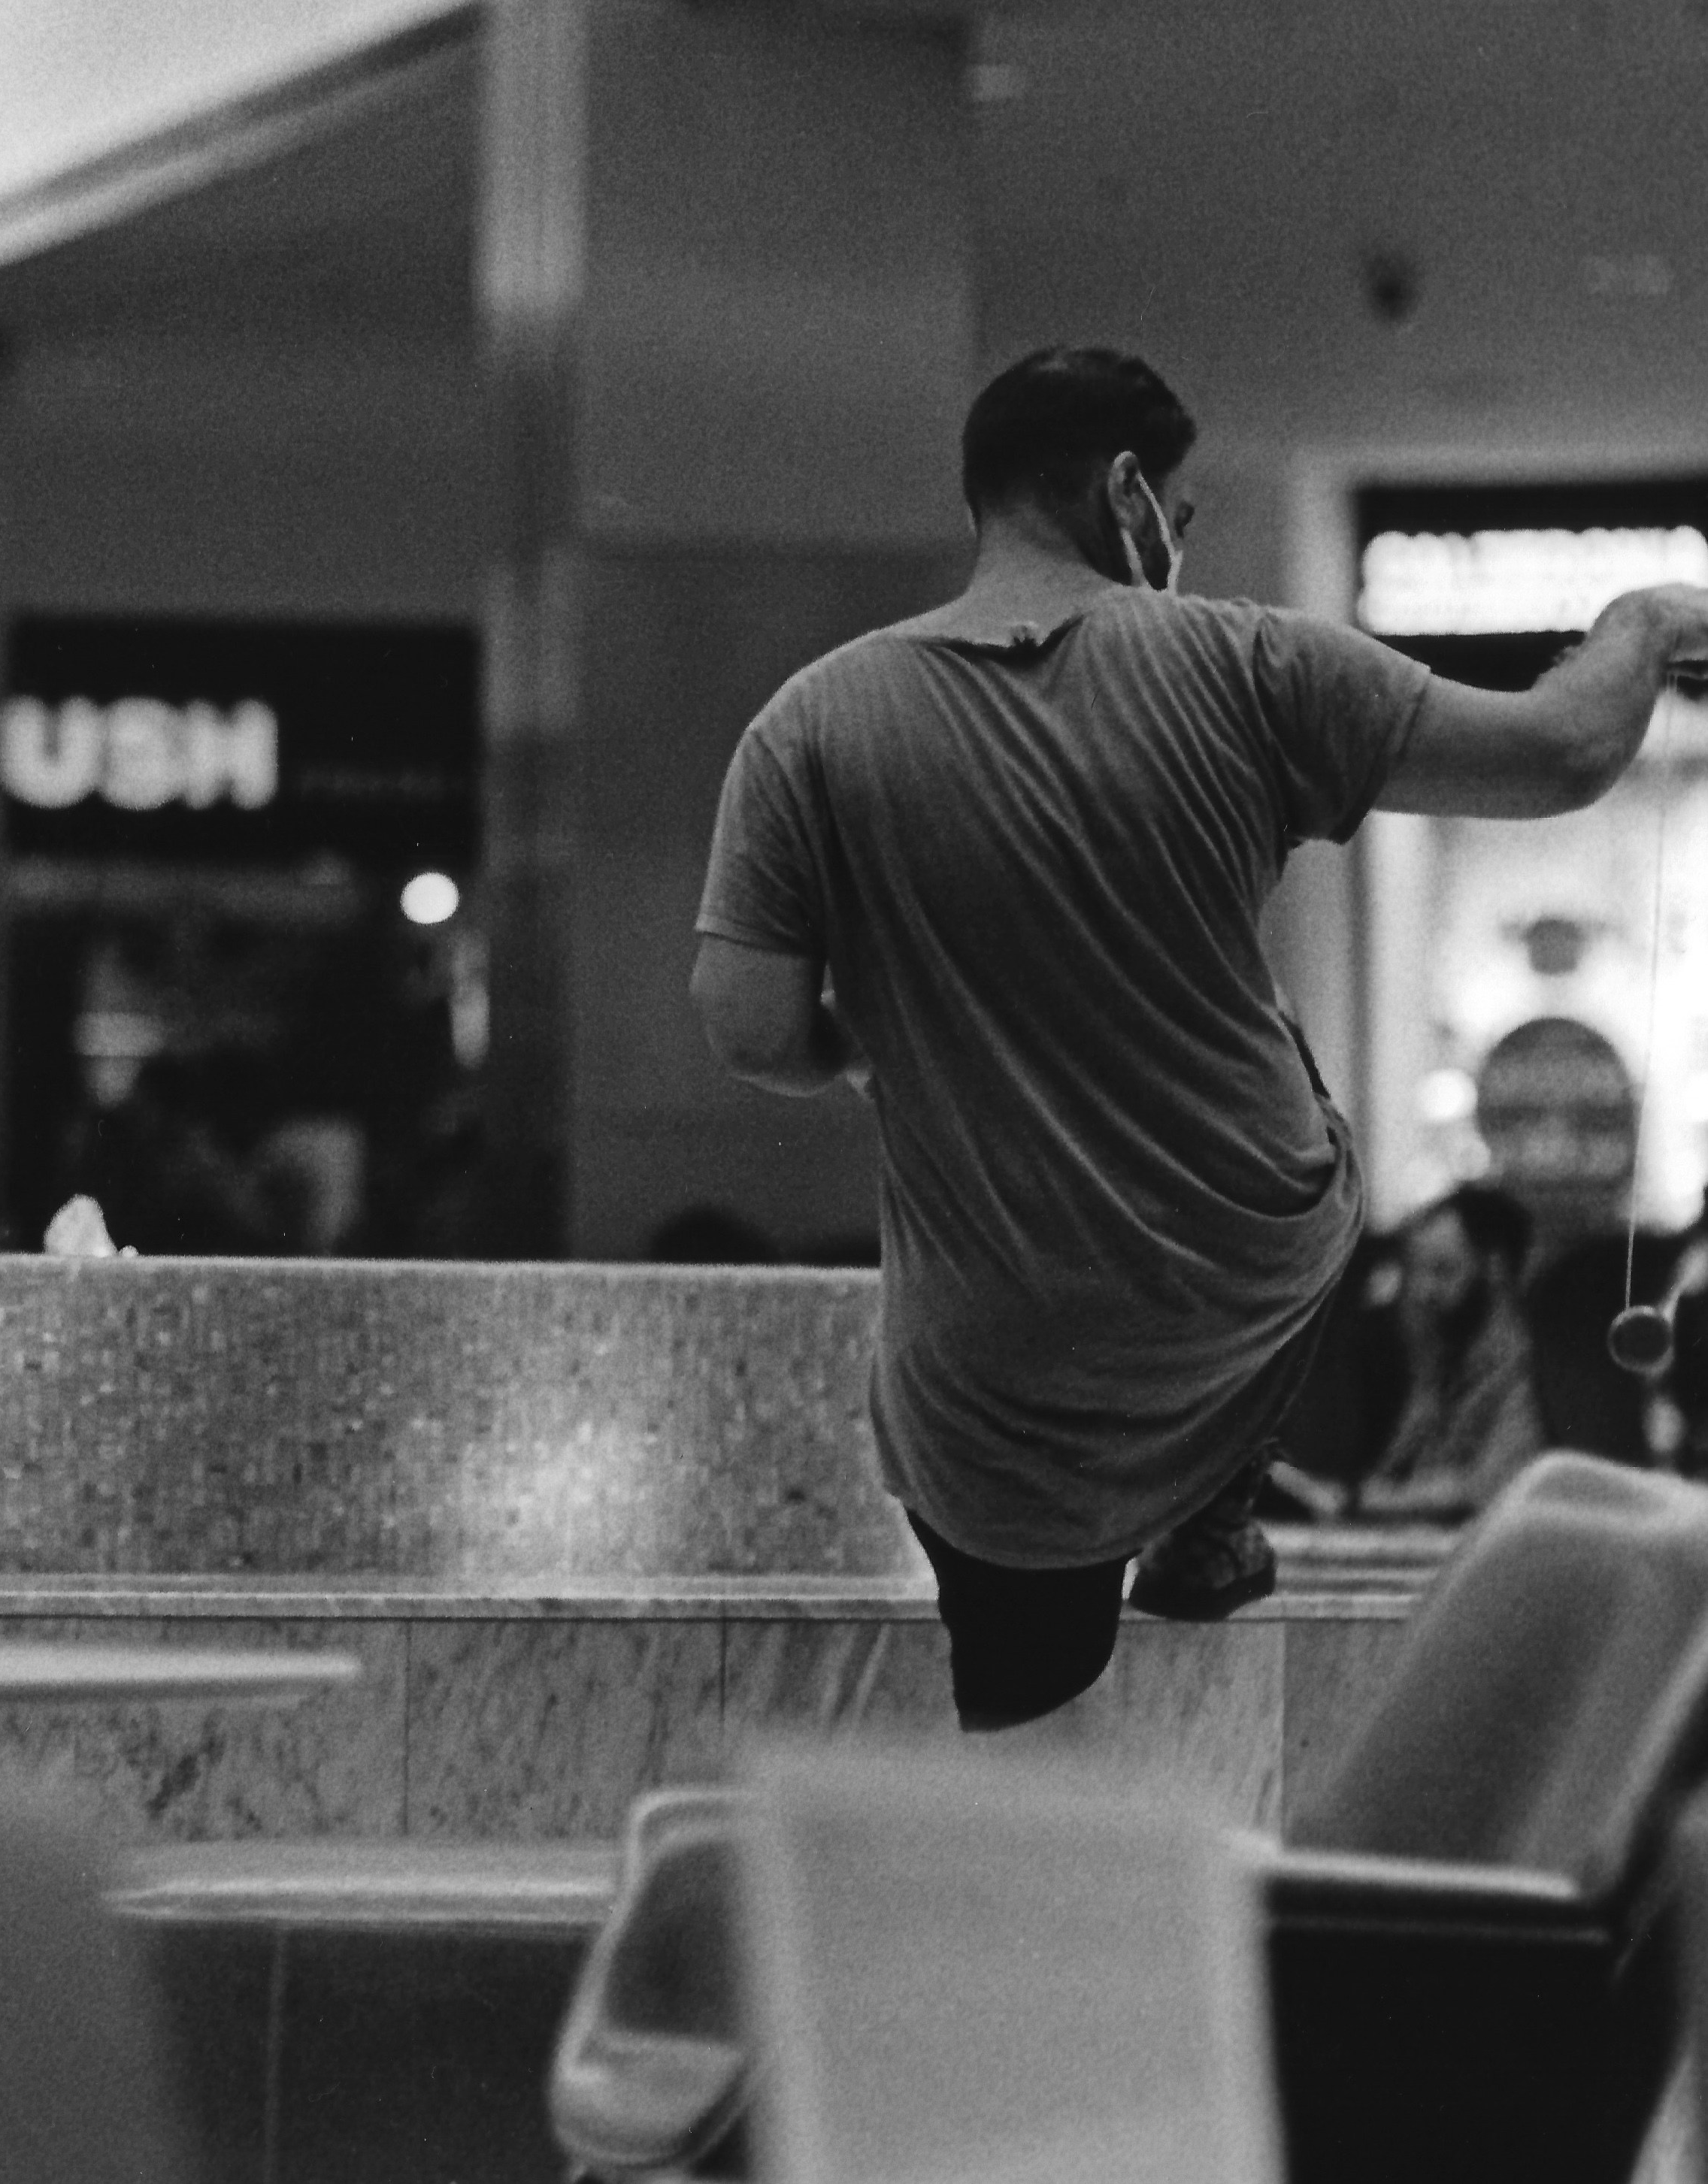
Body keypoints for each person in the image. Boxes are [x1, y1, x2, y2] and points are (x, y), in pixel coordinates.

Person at [695, 347, 1708, 1733]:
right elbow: (1557, 754)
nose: (1177, 541)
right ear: (1124, 493)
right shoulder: (1248, 662)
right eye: (1176, 510)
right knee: (1316, 1164)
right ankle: (1208, 1500)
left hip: (986, 1359)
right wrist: (1643, 624)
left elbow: (748, 1028)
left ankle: (1022, 1851)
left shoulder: (808, 722)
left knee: (1024, 1703)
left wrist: (879, 1045)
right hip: (1226, 1272)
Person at [1339, 1185, 1546, 1525]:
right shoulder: (1440, 1364)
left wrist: (1359, 1499)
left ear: (1495, 1268)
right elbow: (1396, 1471)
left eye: (1443, 1270)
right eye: (1416, 1271)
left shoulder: (1530, 1368)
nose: (1422, 1291)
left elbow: (1487, 1489)